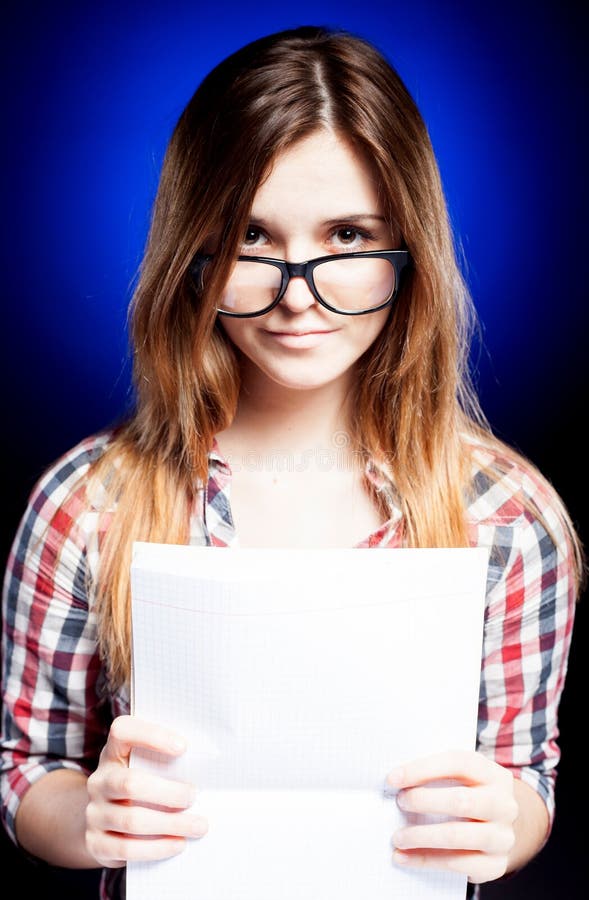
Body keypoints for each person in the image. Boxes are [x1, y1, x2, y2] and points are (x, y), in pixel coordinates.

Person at [0, 24, 583, 900]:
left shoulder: (504, 514)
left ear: (410, 249)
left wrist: (502, 821)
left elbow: (523, 779)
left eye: (348, 236)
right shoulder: (90, 504)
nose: (296, 292)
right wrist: (89, 816)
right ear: (190, 254)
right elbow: (28, 765)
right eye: (250, 238)